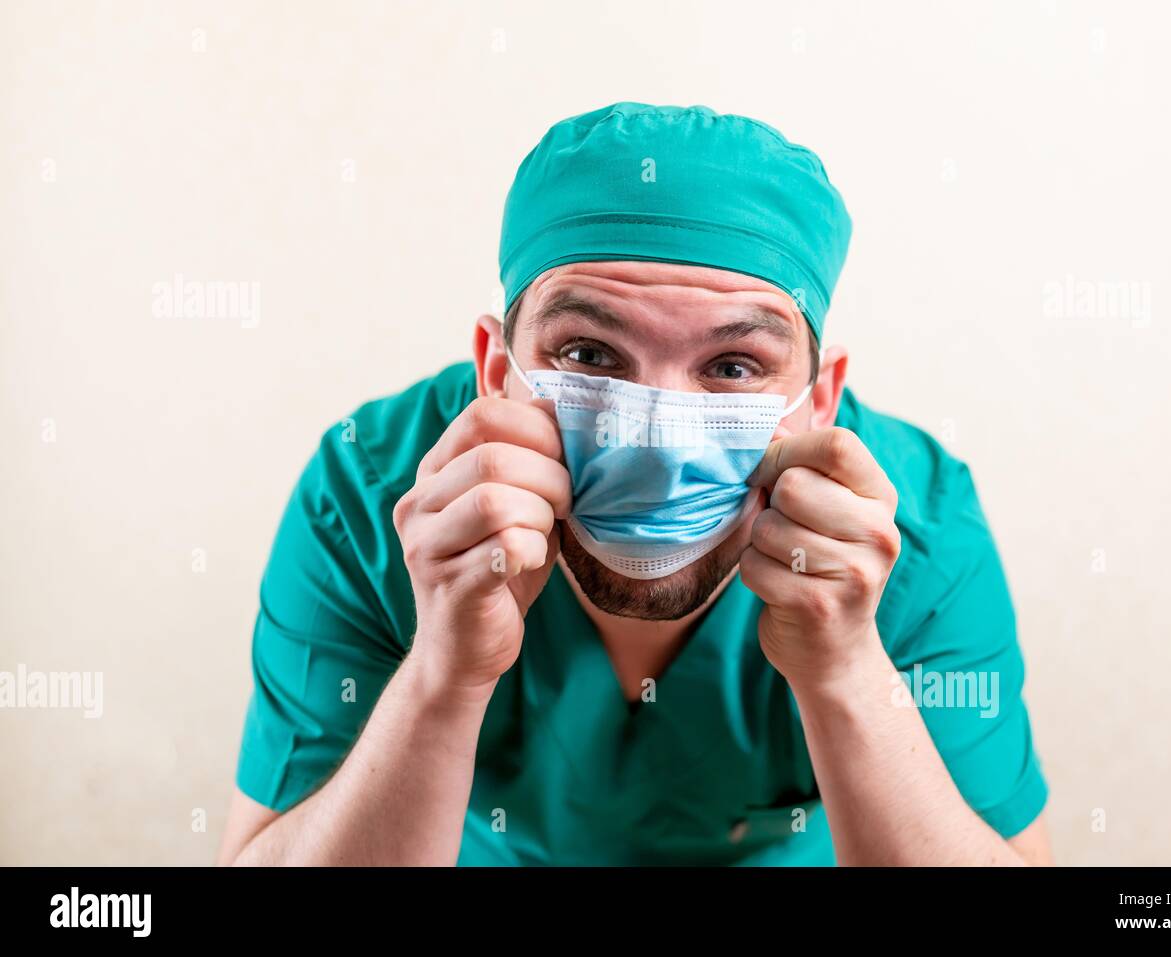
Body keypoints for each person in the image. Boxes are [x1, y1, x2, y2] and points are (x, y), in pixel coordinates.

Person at [218, 102, 1051, 866]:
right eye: (588, 355)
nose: (654, 444)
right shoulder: (372, 493)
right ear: (494, 370)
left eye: (732, 366)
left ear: (819, 399)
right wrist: (444, 670)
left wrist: (844, 671)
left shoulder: (913, 528)